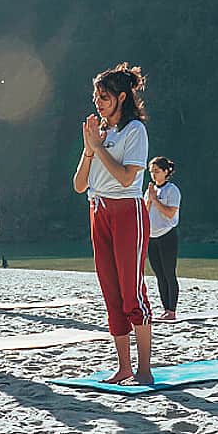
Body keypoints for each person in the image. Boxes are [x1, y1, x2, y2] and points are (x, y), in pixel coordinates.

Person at [72, 63, 154, 384]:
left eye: (104, 96)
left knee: (131, 292)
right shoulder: (100, 134)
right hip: (99, 210)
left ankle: (144, 369)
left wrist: (98, 148)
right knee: (111, 292)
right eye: (96, 96)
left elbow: (124, 178)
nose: (98, 102)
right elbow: (80, 185)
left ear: (122, 97)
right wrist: (89, 149)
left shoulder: (135, 131)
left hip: (127, 211)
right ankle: (124, 367)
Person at [145, 156, 182, 321]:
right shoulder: (150, 190)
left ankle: (172, 310)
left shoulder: (172, 190)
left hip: (167, 235)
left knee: (169, 273)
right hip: (151, 237)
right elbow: (145, 212)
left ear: (166, 172)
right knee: (159, 274)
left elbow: (170, 213)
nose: (154, 175)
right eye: (152, 171)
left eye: (157, 171)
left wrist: (155, 200)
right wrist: (149, 199)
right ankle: (165, 309)